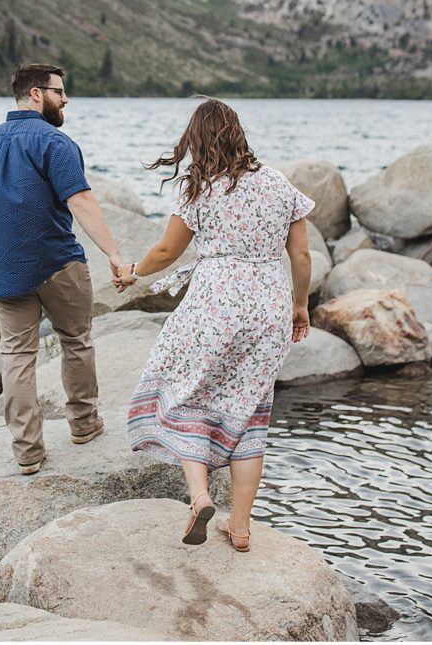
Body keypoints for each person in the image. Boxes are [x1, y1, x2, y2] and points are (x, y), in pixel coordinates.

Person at [116, 98, 314, 551]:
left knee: (185, 392)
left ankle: (200, 495)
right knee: (251, 413)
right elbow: (300, 256)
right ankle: (240, 527)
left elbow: (167, 252)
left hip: (214, 304)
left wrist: (132, 271)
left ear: (197, 141)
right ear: (238, 133)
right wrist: (299, 306)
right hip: (268, 308)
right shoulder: (279, 185)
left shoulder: (200, 190)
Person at [0, 63, 129, 475]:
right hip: (57, 263)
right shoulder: (54, 142)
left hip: (4, 271)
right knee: (76, 340)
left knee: (16, 356)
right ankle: (84, 425)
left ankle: (27, 451)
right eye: (59, 91)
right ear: (36, 94)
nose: (65, 98)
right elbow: (82, 201)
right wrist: (114, 253)